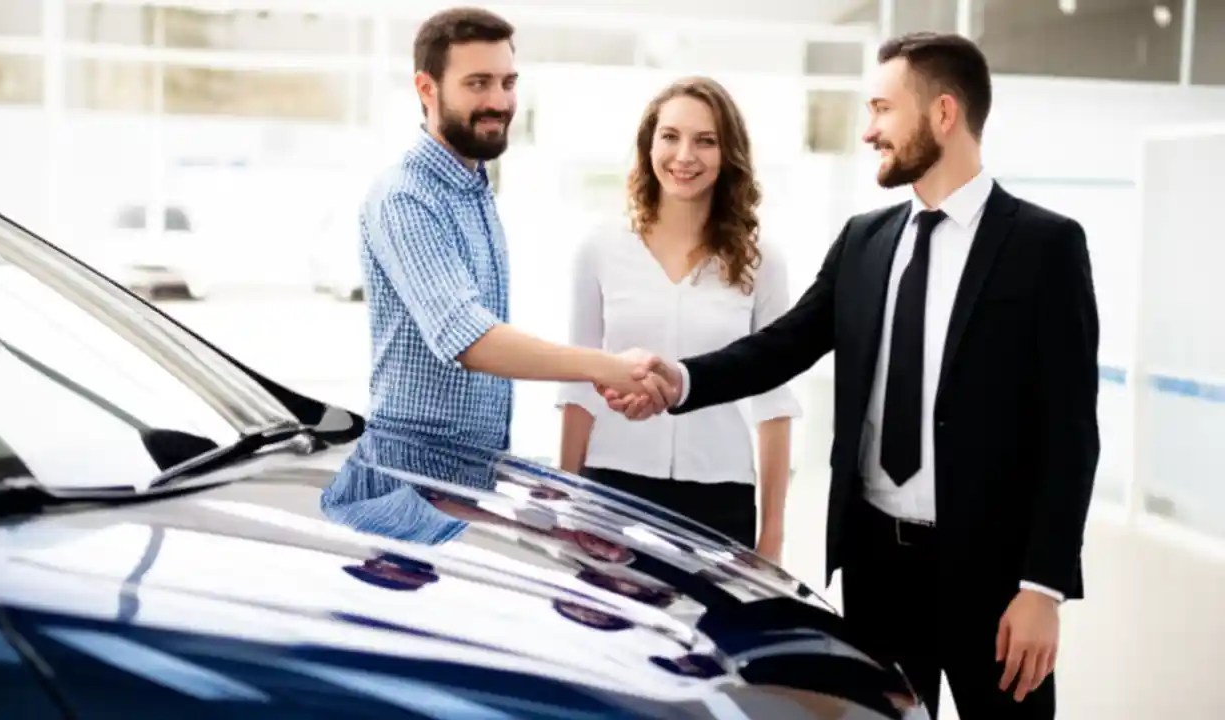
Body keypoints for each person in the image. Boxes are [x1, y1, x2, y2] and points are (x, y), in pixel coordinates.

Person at [603, 32, 1100, 720]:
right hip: (877, 573)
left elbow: (1071, 432)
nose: (867, 131)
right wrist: (679, 380)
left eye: (881, 109)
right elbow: (782, 347)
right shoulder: (866, 239)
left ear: (943, 114)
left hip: (993, 583)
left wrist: (1043, 587)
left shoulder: (1045, 246)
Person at [351, 7, 652, 454]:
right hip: (417, 475)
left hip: (476, 467)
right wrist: (605, 367)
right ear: (426, 89)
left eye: (507, 82)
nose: (499, 101)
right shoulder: (404, 196)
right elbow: (469, 339)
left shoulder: (474, 187)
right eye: (478, 83)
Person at [557, 77, 800, 562]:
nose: (684, 155)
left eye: (705, 140)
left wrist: (772, 538)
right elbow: (577, 384)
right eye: (670, 136)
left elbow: (773, 402)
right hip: (612, 489)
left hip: (720, 497)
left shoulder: (761, 262)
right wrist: (567, 505)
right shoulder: (600, 248)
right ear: (650, 142)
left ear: (727, 153)